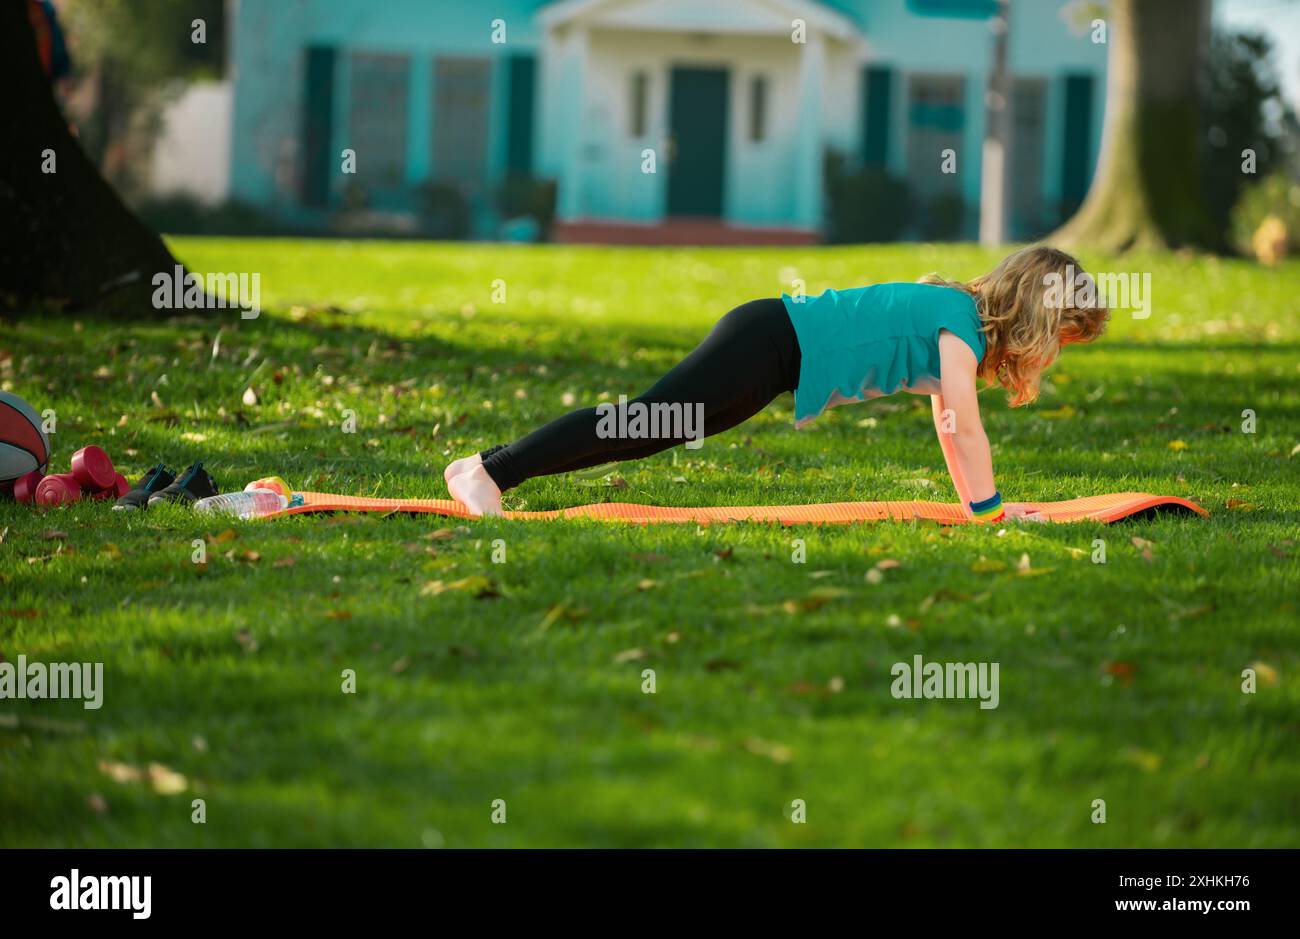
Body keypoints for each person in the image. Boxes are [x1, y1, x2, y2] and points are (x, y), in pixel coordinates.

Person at [445, 245, 1109, 520]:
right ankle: (487, 470)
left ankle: (492, 473)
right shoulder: (959, 323)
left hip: (772, 356)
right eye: (1062, 340)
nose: (1052, 357)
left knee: (648, 433)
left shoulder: (958, 326)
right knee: (644, 420)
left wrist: (979, 511)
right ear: (1038, 317)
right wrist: (994, 513)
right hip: (767, 340)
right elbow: (965, 424)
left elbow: (946, 422)